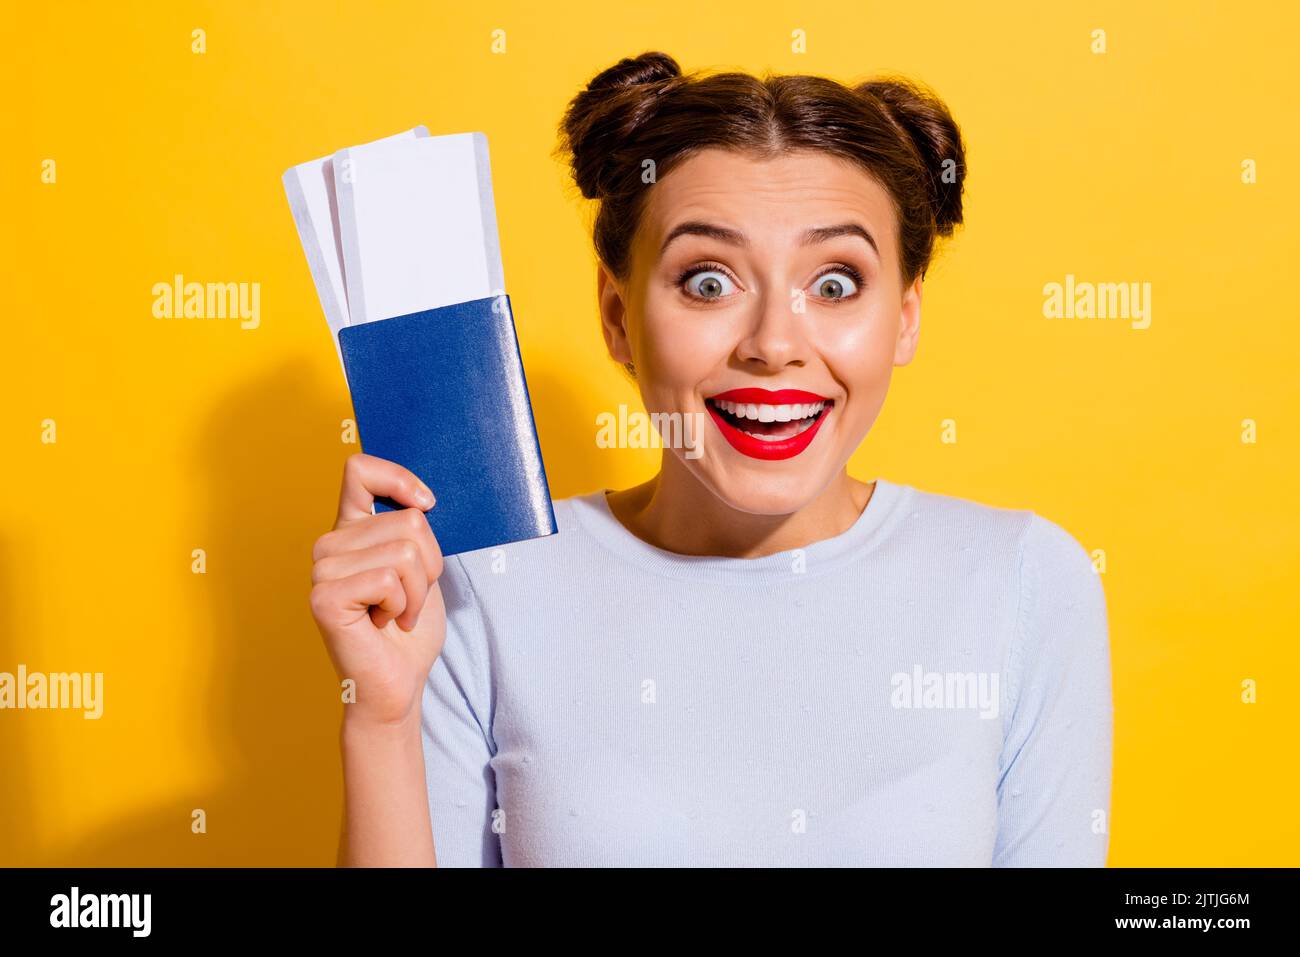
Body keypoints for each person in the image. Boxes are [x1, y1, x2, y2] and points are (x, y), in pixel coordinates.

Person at [309, 51, 1113, 867]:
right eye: (707, 282)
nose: (773, 343)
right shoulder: (479, 585)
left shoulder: (1025, 582)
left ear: (904, 318)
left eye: (835, 285)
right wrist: (381, 716)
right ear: (617, 316)